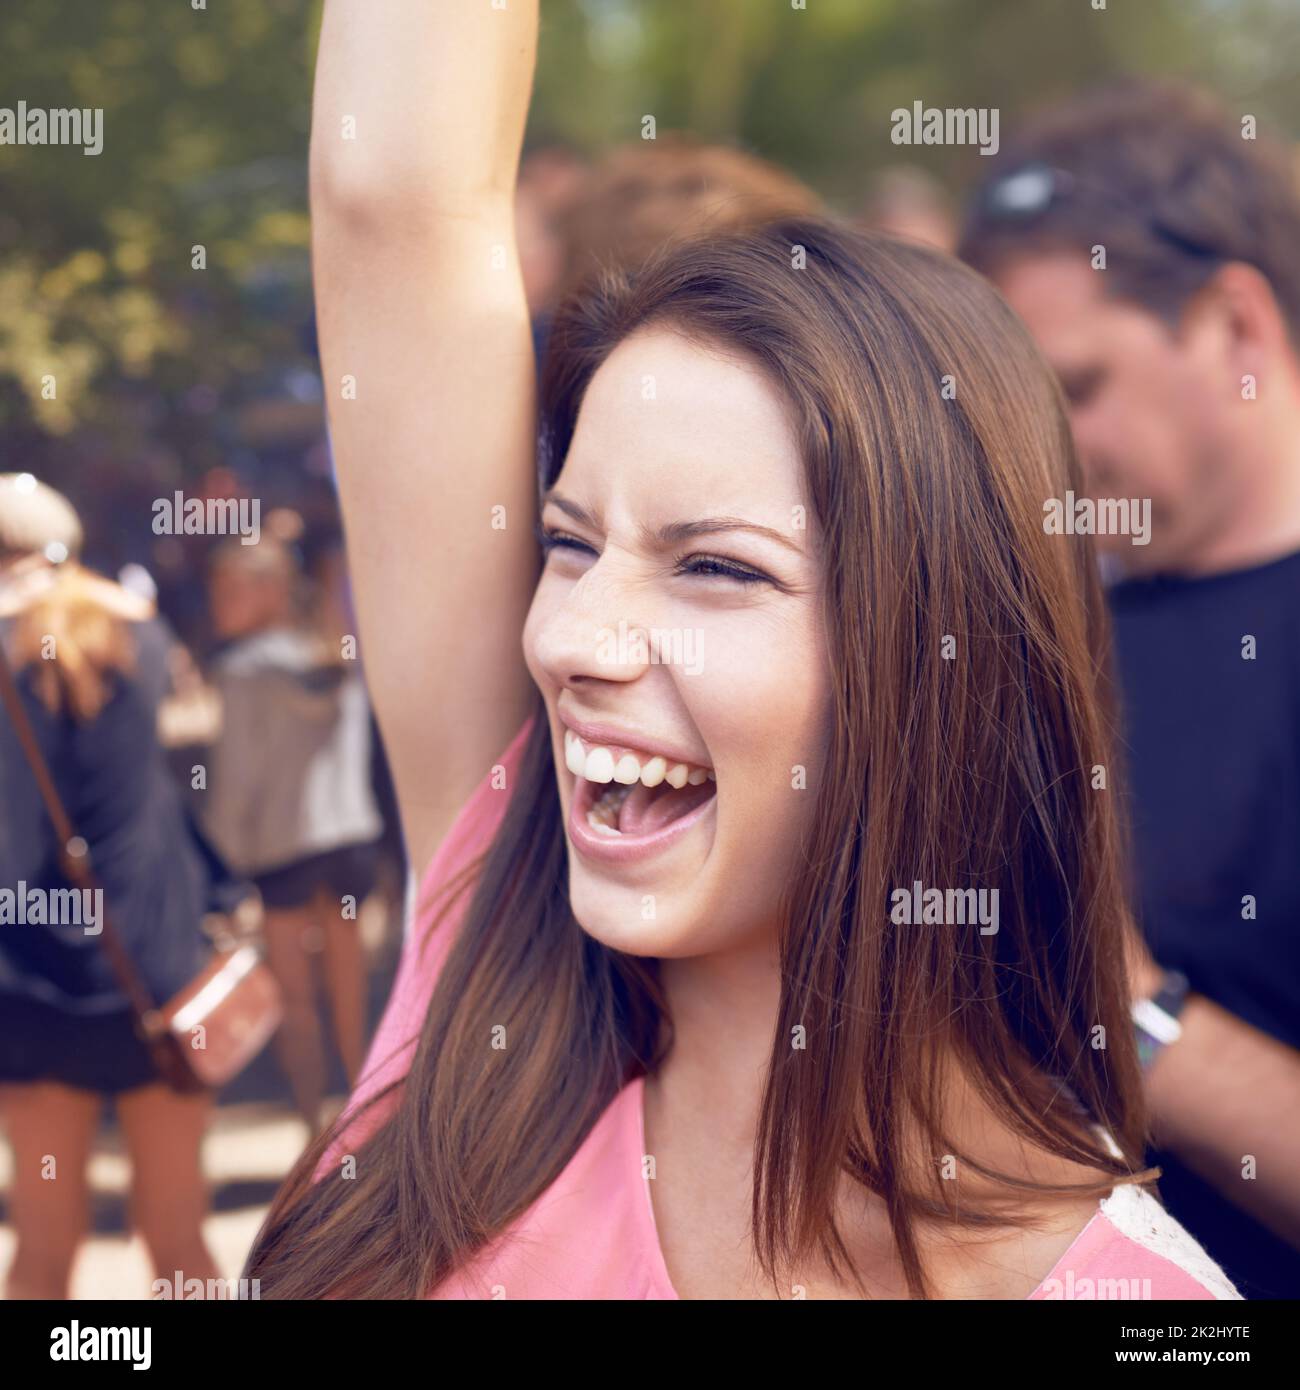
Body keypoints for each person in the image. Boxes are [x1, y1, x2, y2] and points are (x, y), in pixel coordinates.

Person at [244, 4, 1241, 1300]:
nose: (569, 641)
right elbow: (394, 191)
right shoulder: (499, 923)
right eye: (566, 541)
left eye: (716, 566)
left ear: (941, 666)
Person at [959, 79, 1300, 1299]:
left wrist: (1129, 1009)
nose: (1042, 446)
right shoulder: (1036, 615)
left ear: (1235, 327)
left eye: (1080, 387)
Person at [0, 473, 220, 1299]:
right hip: (156, 971)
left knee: (43, 1254)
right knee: (177, 1244)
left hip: (32, 983)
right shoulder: (145, 635)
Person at [201, 536, 383, 1138]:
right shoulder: (338, 655)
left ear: (271, 590)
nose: (217, 603)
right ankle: (367, 1124)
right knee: (352, 992)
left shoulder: (240, 672)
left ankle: (313, 1132)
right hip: (351, 838)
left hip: (281, 852)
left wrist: (220, 869)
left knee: (296, 1004)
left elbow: (236, 781)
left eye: (230, 589)